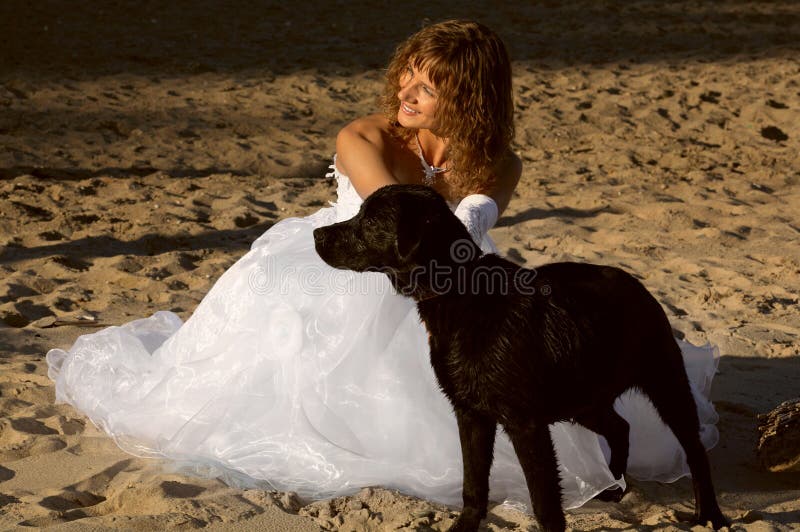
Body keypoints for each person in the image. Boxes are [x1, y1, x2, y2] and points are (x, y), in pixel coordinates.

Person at [46, 20, 720, 513]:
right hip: (357, 264)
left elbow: (470, 222)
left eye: (429, 85)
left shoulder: (498, 159)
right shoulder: (361, 137)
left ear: (468, 96)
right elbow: (393, 220)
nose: (407, 89)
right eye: (408, 72)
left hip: (447, 276)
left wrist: (471, 217)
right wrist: (458, 227)